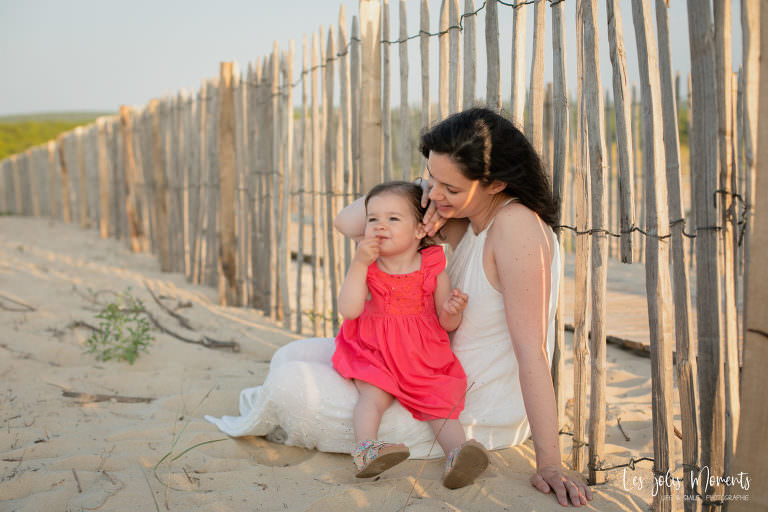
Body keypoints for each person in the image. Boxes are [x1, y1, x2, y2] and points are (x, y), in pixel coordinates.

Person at [206, 107, 591, 507]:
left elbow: (532, 349)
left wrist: (549, 462)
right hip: (409, 360)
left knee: (290, 387)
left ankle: (445, 449)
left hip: (454, 401)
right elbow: (346, 222)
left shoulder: (516, 229)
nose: (436, 196)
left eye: (450, 188)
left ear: (494, 184)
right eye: (432, 179)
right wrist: (422, 188)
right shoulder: (461, 215)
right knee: (290, 354)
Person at [332, 181, 488, 488]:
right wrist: (359, 264)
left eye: (393, 218)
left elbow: (445, 322)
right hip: (371, 348)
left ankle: (457, 455)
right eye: (372, 219)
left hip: (420, 351)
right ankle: (366, 449)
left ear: (420, 230)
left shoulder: (432, 264)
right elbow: (349, 310)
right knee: (372, 395)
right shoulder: (370, 265)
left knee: (439, 397)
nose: (379, 226)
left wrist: (452, 311)